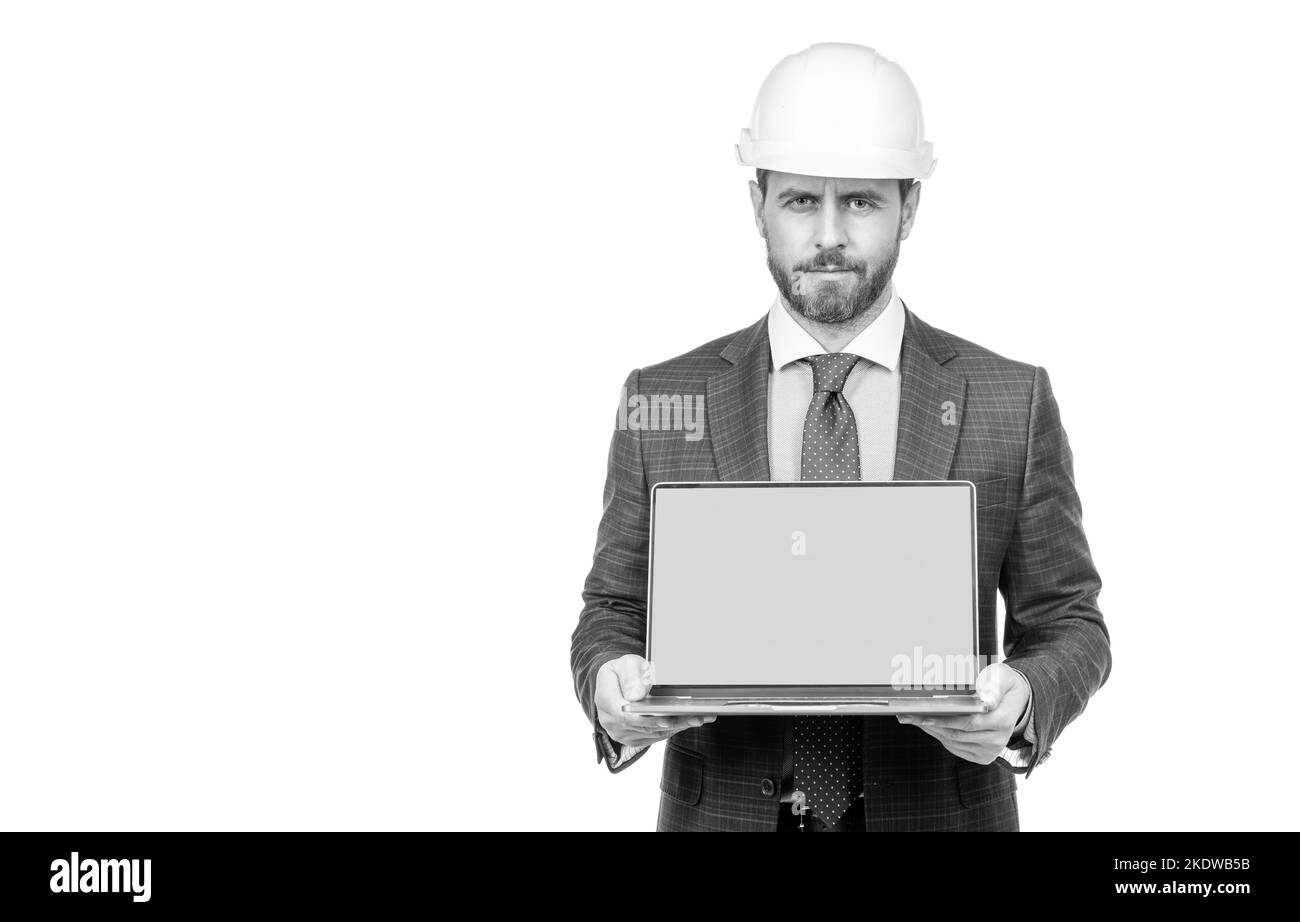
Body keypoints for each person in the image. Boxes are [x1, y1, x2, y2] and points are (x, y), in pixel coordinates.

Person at [570, 42, 1111, 832]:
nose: (828, 235)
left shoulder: (1010, 399)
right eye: (798, 202)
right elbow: (612, 608)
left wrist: (1025, 699)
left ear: (910, 206)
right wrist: (609, 683)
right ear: (757, 203)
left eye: (859, 201)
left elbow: (1070, 621)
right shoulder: (664, 398)